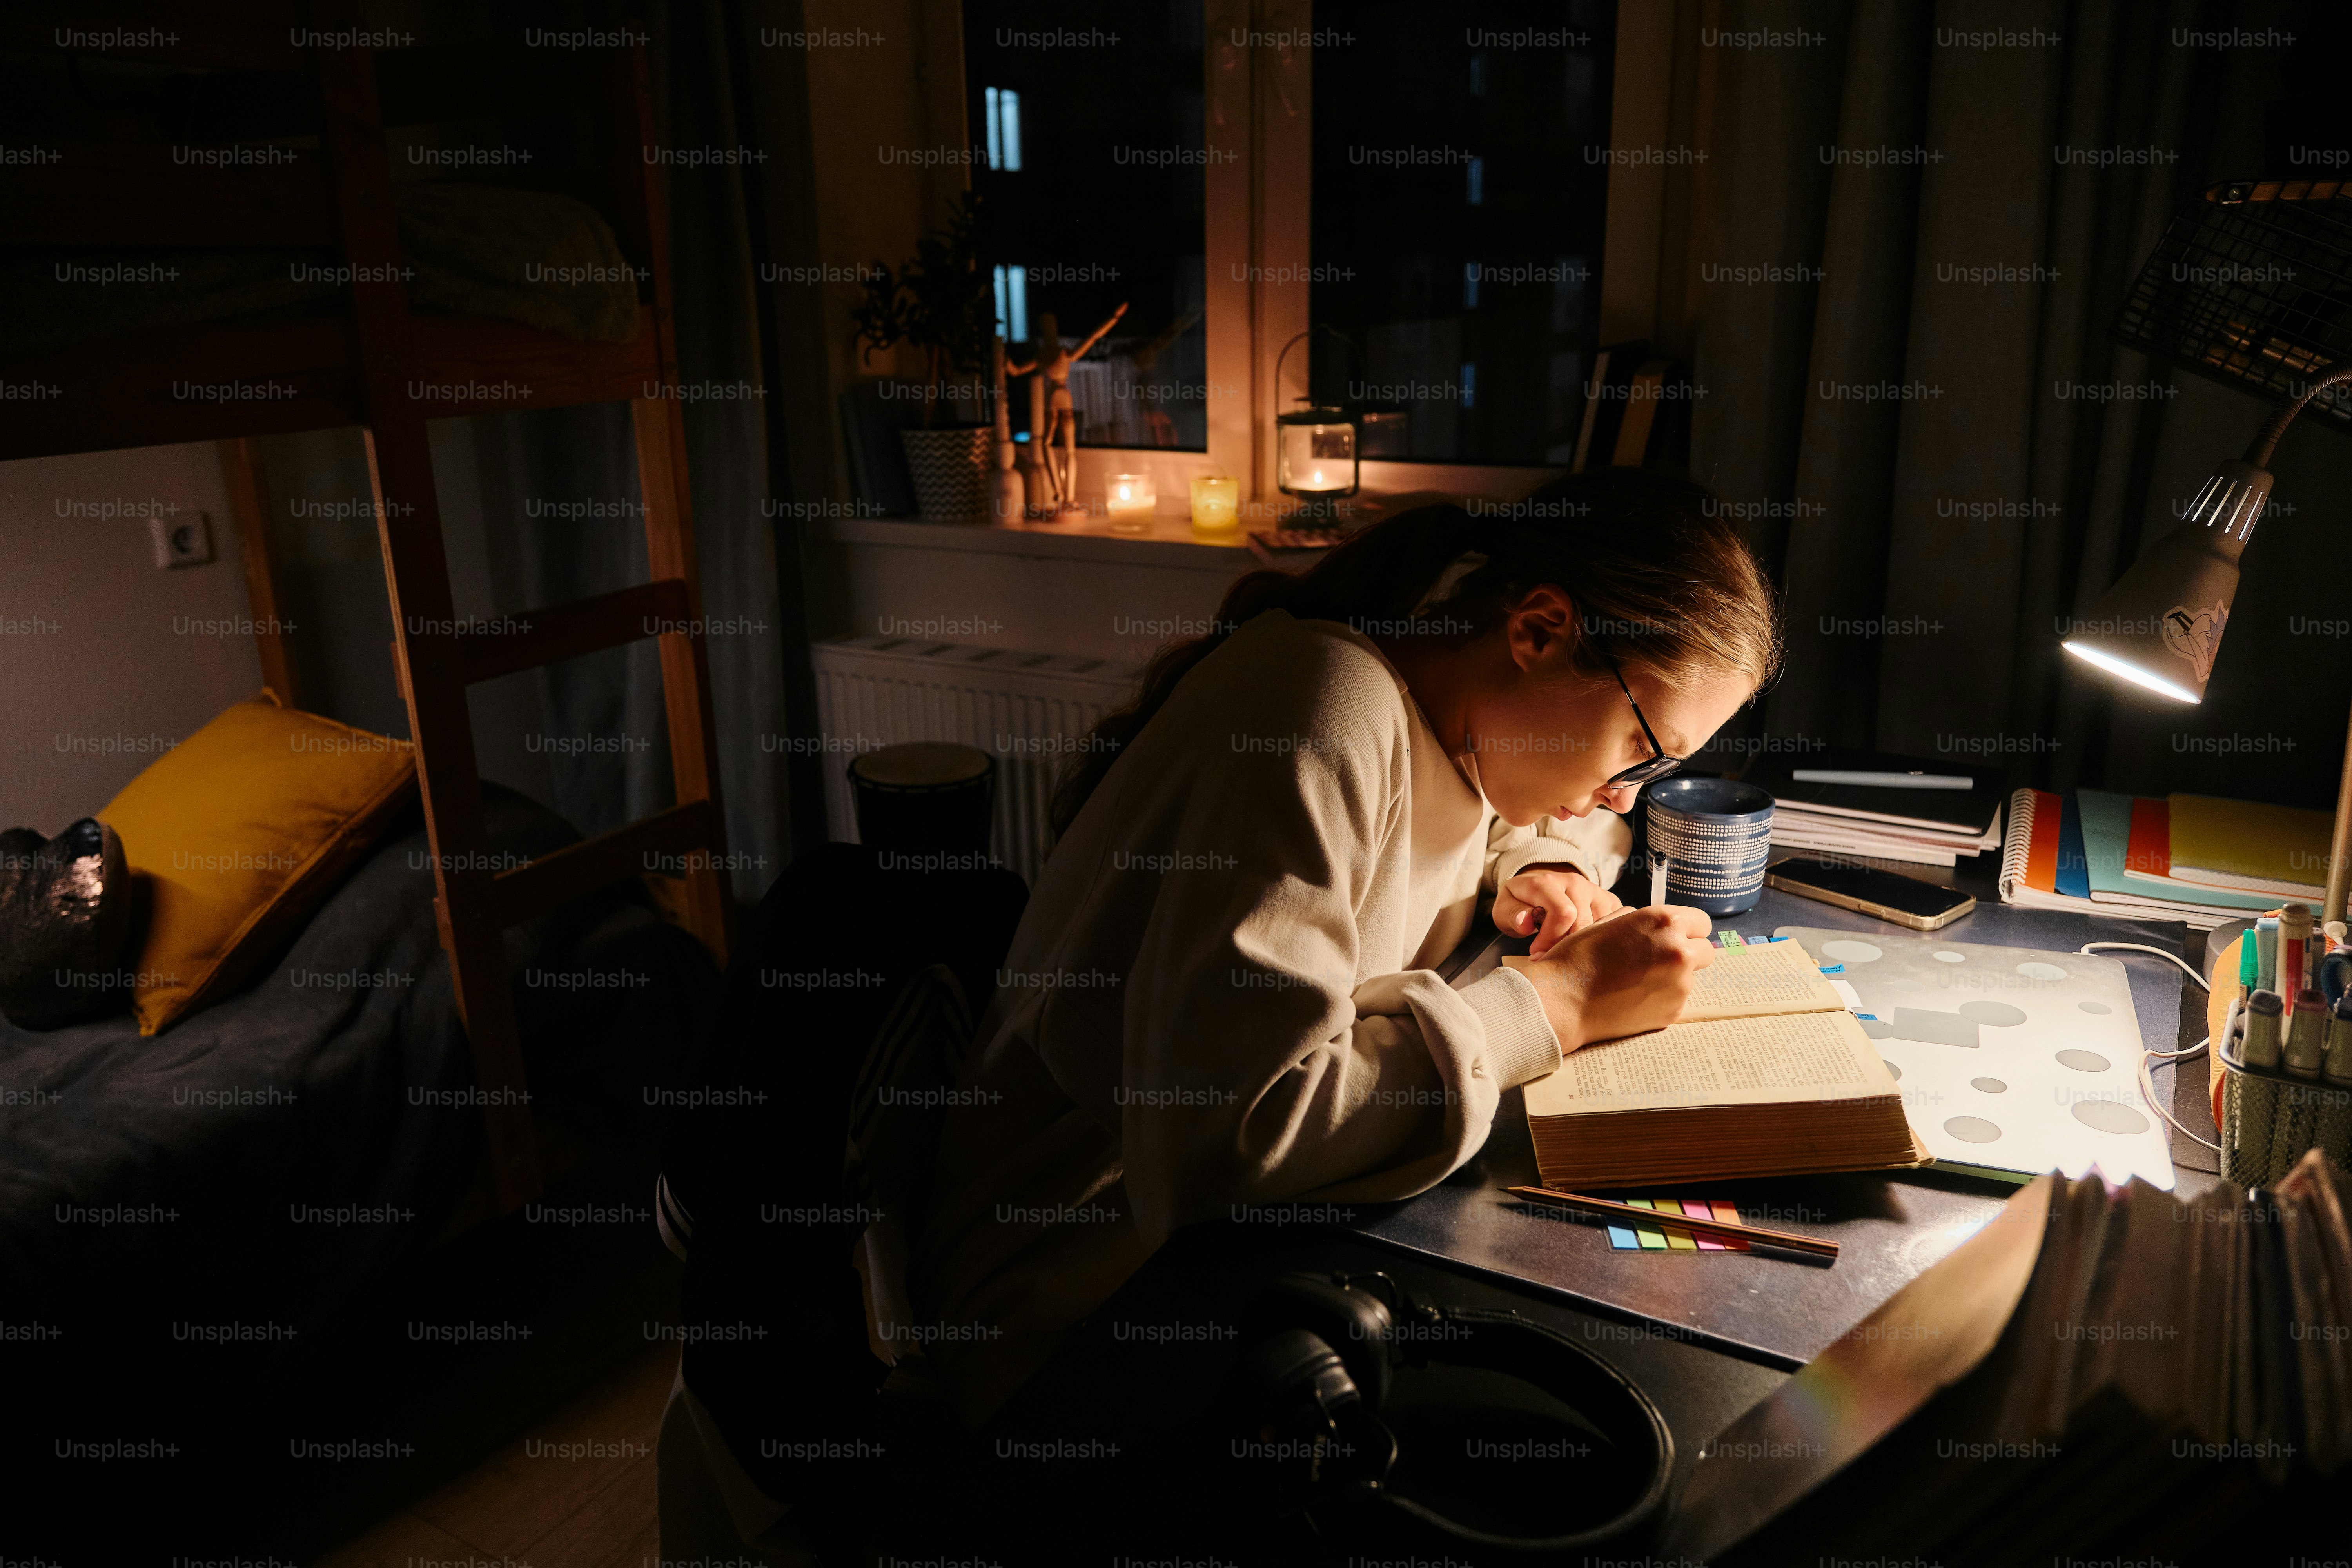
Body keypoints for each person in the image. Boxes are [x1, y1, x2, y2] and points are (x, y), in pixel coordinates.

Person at [899, 466, 1783, 1426]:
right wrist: (1558, 1003)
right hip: (1071, 1305)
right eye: (1640, 749)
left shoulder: (1457, 719)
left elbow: (1480, 815)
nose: (1627, 796)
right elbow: (1227, 1140)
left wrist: (1542, 861)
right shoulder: (1320, 707)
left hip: (1220, 1268)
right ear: (1537, 630)